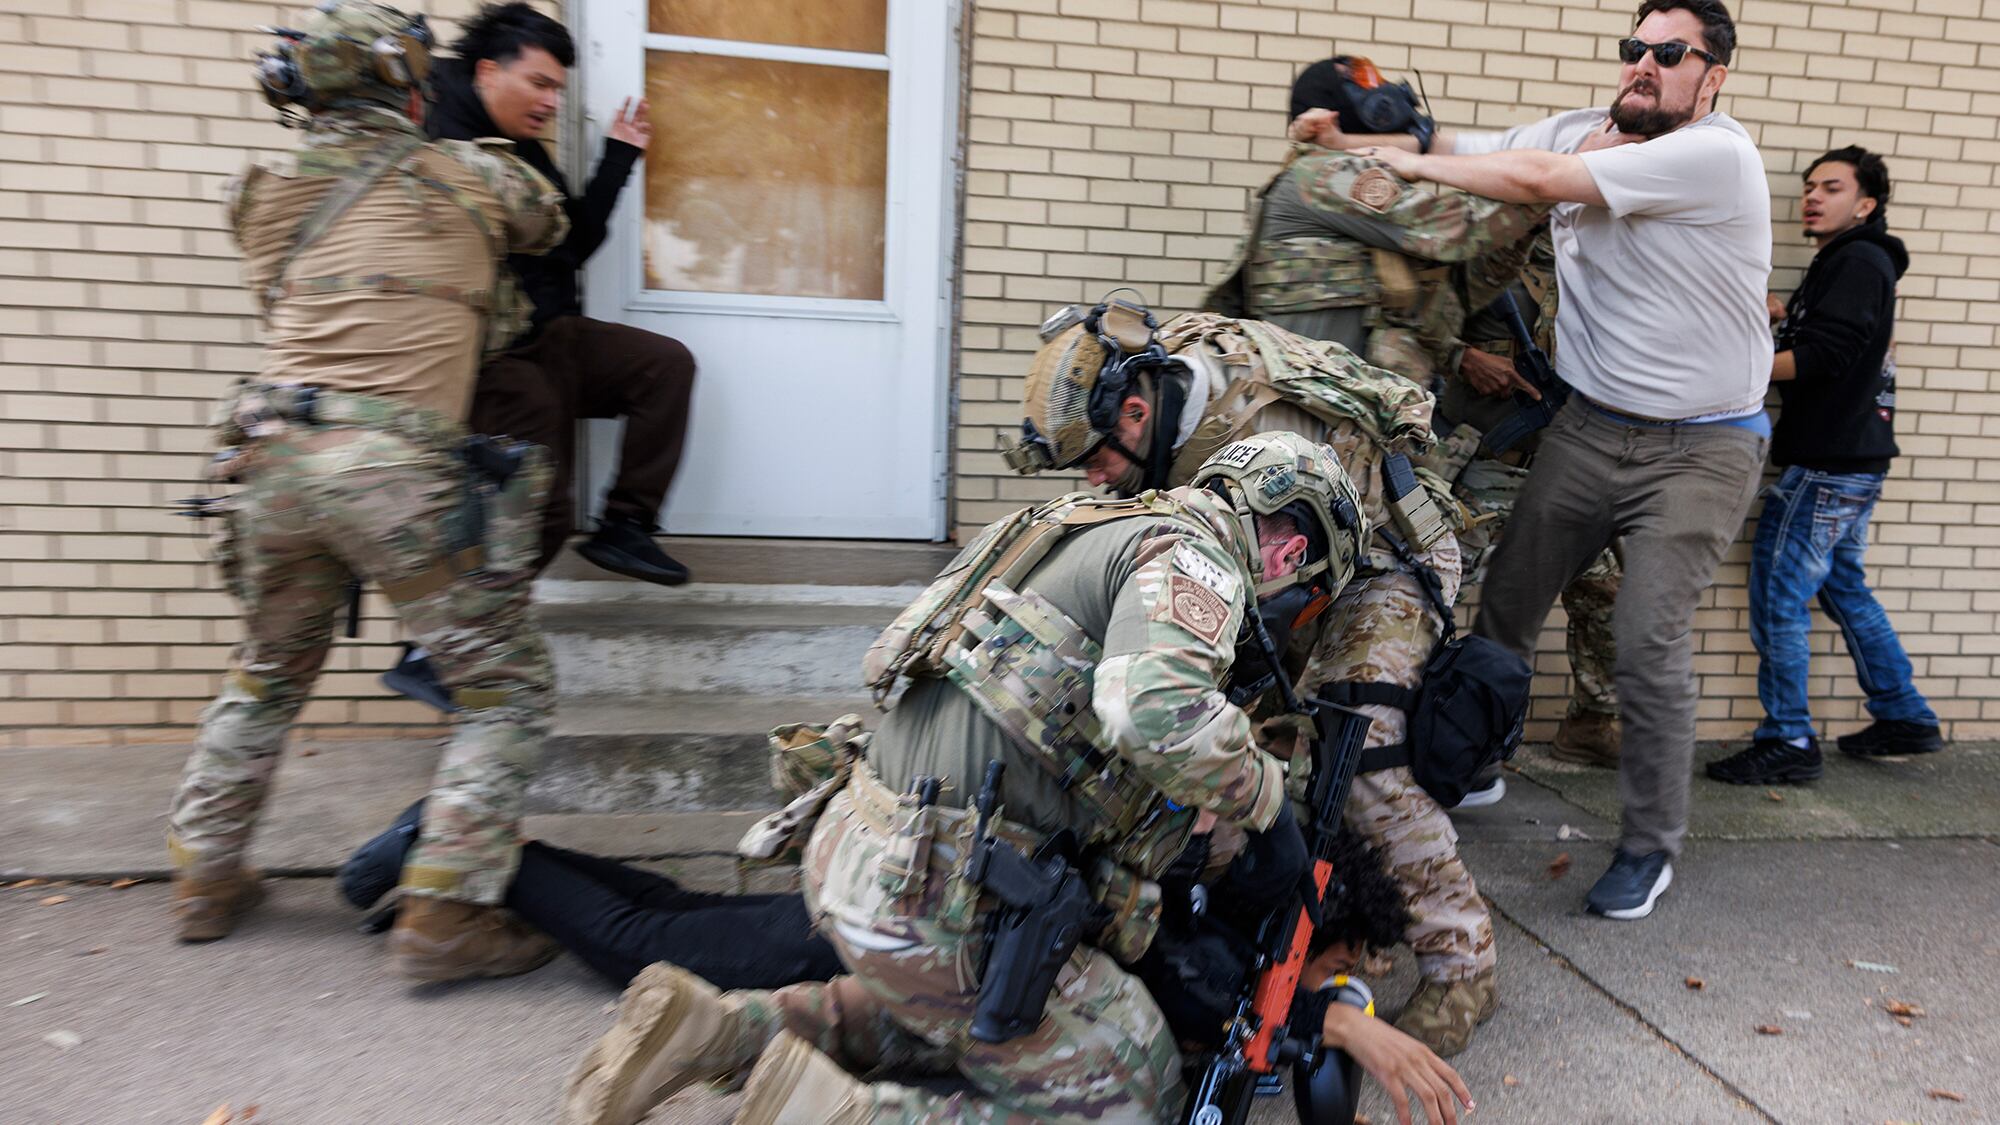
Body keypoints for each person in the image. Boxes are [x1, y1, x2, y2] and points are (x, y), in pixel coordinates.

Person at [561, 432, 1369, 1123]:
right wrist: (1269, 805)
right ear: (1292, 552)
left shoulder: (1083, 524)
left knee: (972, 1013)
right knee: (1131, 1088)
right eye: (1305, 603)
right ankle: (839, 1112)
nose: (1290, 619)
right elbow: (1150, 712)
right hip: (932, 887)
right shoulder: (1200, 560)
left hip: (858, 848)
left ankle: (718, 1029)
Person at [1317, 0, 1773, 921]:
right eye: (1633, 48)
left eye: (1669, 53)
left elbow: (1528, 177)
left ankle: (1649, 845)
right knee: (1506, 606)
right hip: (1592, 425)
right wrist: (1355, 130)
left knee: (1647, 639)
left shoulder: (1719, 156)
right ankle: (1477, 758)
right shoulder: (1582, 131)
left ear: (1712, 73)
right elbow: (1466, 142)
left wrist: (1403, 160)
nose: (1643, 64)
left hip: (1703, 446)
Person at [165, 0, 572, 982]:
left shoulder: (259, 192)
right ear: (406, 80)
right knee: (505, 692)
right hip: (390, 472)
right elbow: (545, 223)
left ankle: (203, 878)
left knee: (266, 675)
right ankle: (446, 917)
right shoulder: (471, 177)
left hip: (268, 459)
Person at [1004, 304, 1502, 1057]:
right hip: (1283, 569)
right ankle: (1330, 923)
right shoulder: (1170, 407)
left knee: (1356, 742)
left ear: (1135, 411)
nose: (1093, 475)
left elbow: (1281, 567)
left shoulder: (1255, 427)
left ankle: (1462, 963)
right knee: (1239, 743)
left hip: (1383, 559)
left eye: (1096, 456)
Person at [381, 2, 701, 709]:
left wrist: (619, 157)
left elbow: (571, 242)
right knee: (541, 512)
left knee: (664, 365)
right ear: (488, 71)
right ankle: (432, 648)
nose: (552, 102)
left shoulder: (515, 142)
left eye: (559, 89)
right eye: (541, 84)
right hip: (494, 358)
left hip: (554, 331)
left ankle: (625, 525)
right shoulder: (434, 138)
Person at [1706, 146, 1940, 784]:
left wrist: (1733, 371)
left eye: (1830, 187)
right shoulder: (1845, 263)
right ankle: (1904, 712)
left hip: (1828, 463)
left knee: (1779, 595)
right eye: (1809, 187)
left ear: (1865, 204)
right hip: (1854, 459)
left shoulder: (1857, 261)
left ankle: (1788, 738)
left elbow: (1827, 357)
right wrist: (1782, 321)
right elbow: (1828, 345)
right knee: (1843, 587)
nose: (1812, 196)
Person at [1438, 235, 1625, 767]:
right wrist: (1464, 357)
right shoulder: (1487, 254)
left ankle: (1593, 722)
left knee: (1609, 592)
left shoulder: (1602, 263)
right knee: (1429, 591)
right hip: (1485, 468)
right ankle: (1403, 722)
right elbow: (1409, 327)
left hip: (1570, 473)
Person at [336, 798, 842, 988]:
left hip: (864, 911)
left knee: (669, 905)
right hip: (876, 948)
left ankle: (451, 837)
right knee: (638, 934)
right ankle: (447, 841)